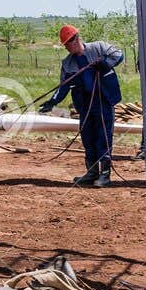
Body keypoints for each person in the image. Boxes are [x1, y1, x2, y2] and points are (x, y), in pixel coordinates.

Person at [38, 24, 124, 188]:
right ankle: (91, 173)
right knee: (88, 137)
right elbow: (63, 86)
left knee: (103, 136)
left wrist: (105, 63)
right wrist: (52, 102)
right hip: (84, 105)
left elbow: (119, 55)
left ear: (77, 38)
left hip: (103, 101)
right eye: (67, 44)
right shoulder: (68, 63)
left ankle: (105, 175)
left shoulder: (99, 47)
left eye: (71, 41)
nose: (70, 45)